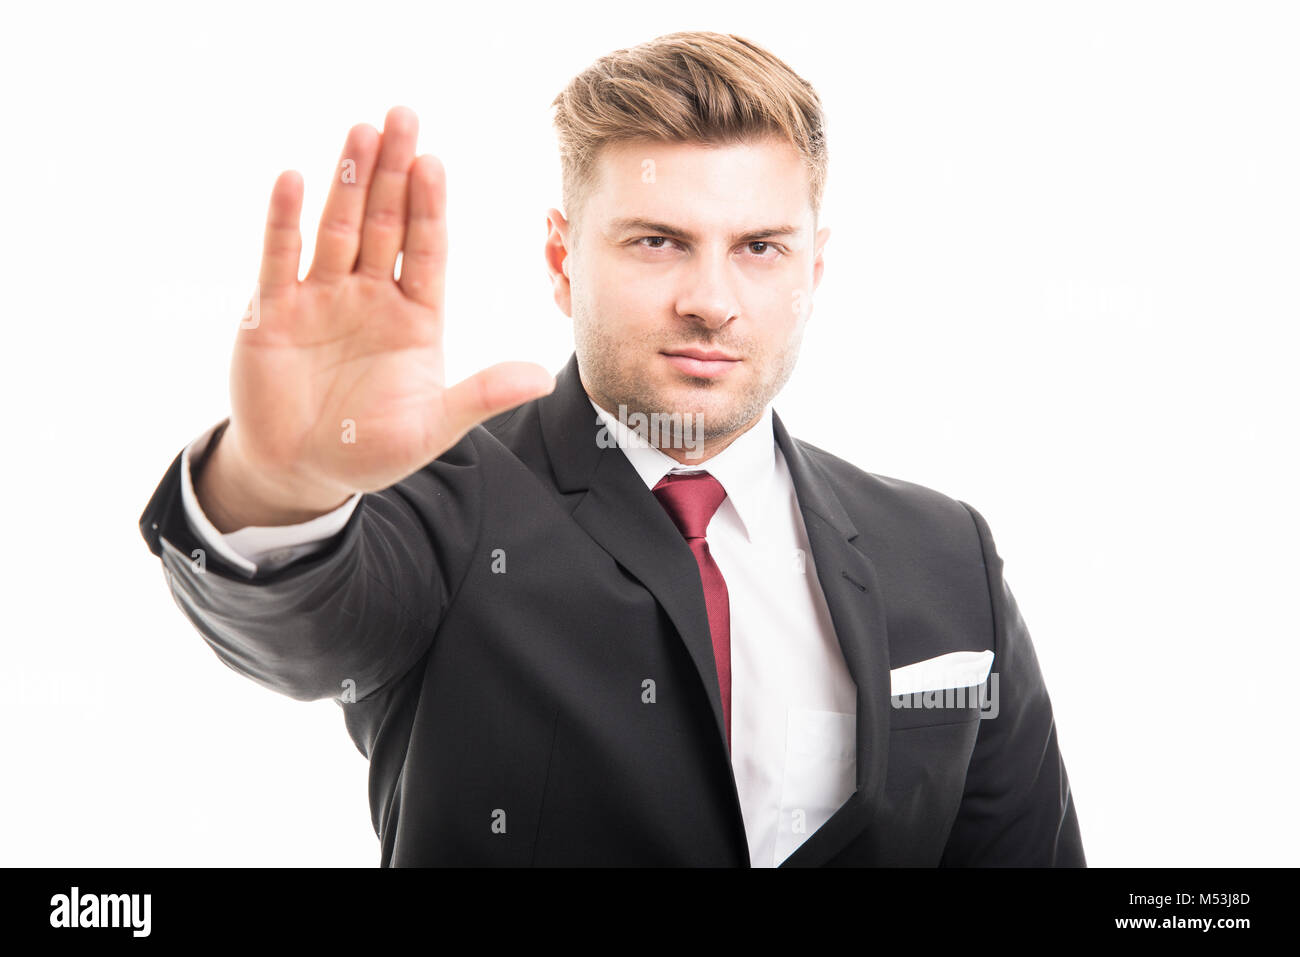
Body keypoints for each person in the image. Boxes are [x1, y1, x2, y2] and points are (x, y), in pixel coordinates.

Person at [138, 30, 1084, 867]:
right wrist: (276, 482)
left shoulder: (945, 551)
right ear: (562, 260)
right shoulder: (443, 511)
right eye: (659, 242)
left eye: (760, 247)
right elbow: (306, 627)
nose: (711, 300)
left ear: (814, 268)